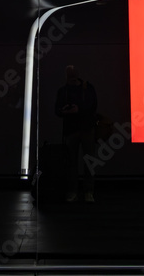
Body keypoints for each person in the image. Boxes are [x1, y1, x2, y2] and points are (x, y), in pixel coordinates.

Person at [54, 65, 97, 202]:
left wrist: (77, 110)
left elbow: (92, 106)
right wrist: (64, 111)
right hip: (73, 130)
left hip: (85, 129)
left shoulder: (87, 88)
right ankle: (75, 191)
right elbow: (57, 110)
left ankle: (87, 191)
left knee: (87, 162)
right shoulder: (63, 91)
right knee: (72, 163)